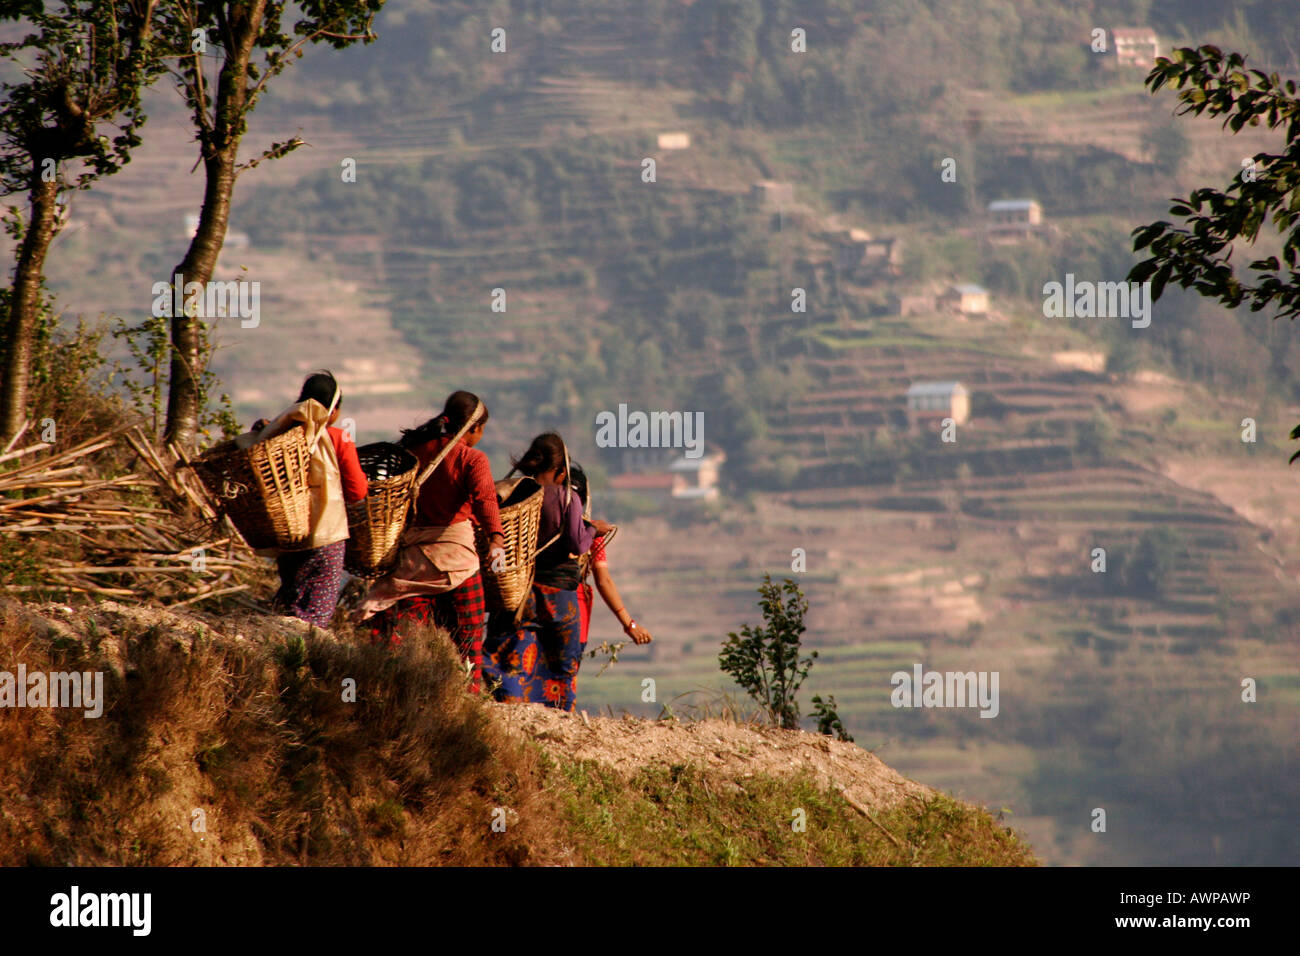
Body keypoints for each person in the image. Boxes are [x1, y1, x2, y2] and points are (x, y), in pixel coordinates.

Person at [359, 391, 505, 693]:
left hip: (413, 560)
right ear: (474, 429)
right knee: (469, 636)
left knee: (405, 631)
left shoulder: (412, 450)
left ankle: (390, 691)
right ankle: (468, 697)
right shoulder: (472, 459)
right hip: (457, 560)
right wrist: (496, 539)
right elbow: (485, 499)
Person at [481, 433, 612, 711]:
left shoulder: (511, 490)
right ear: (561, 470)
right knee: (562, 660)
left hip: (517, 590)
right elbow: (577, 544)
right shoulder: (566, 497)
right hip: (557, 593)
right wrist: (593, 530)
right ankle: (559, 712)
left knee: (513, 649)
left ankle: (509, 706)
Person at [254, 370, 368, 629]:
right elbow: (357, 491)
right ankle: (300, 660)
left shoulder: (279, 435)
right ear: (333, 411)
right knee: (313, 619)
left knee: (292, 602)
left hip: (288, 536)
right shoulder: (338, 439)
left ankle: (280, 657)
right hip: (324, 538)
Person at [568, 464, 652, 701]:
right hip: (572, 610)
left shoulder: (534, 524)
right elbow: (603, 580)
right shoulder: (591, 532)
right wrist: (630, 625)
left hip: (530, 605)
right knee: (563, 675)